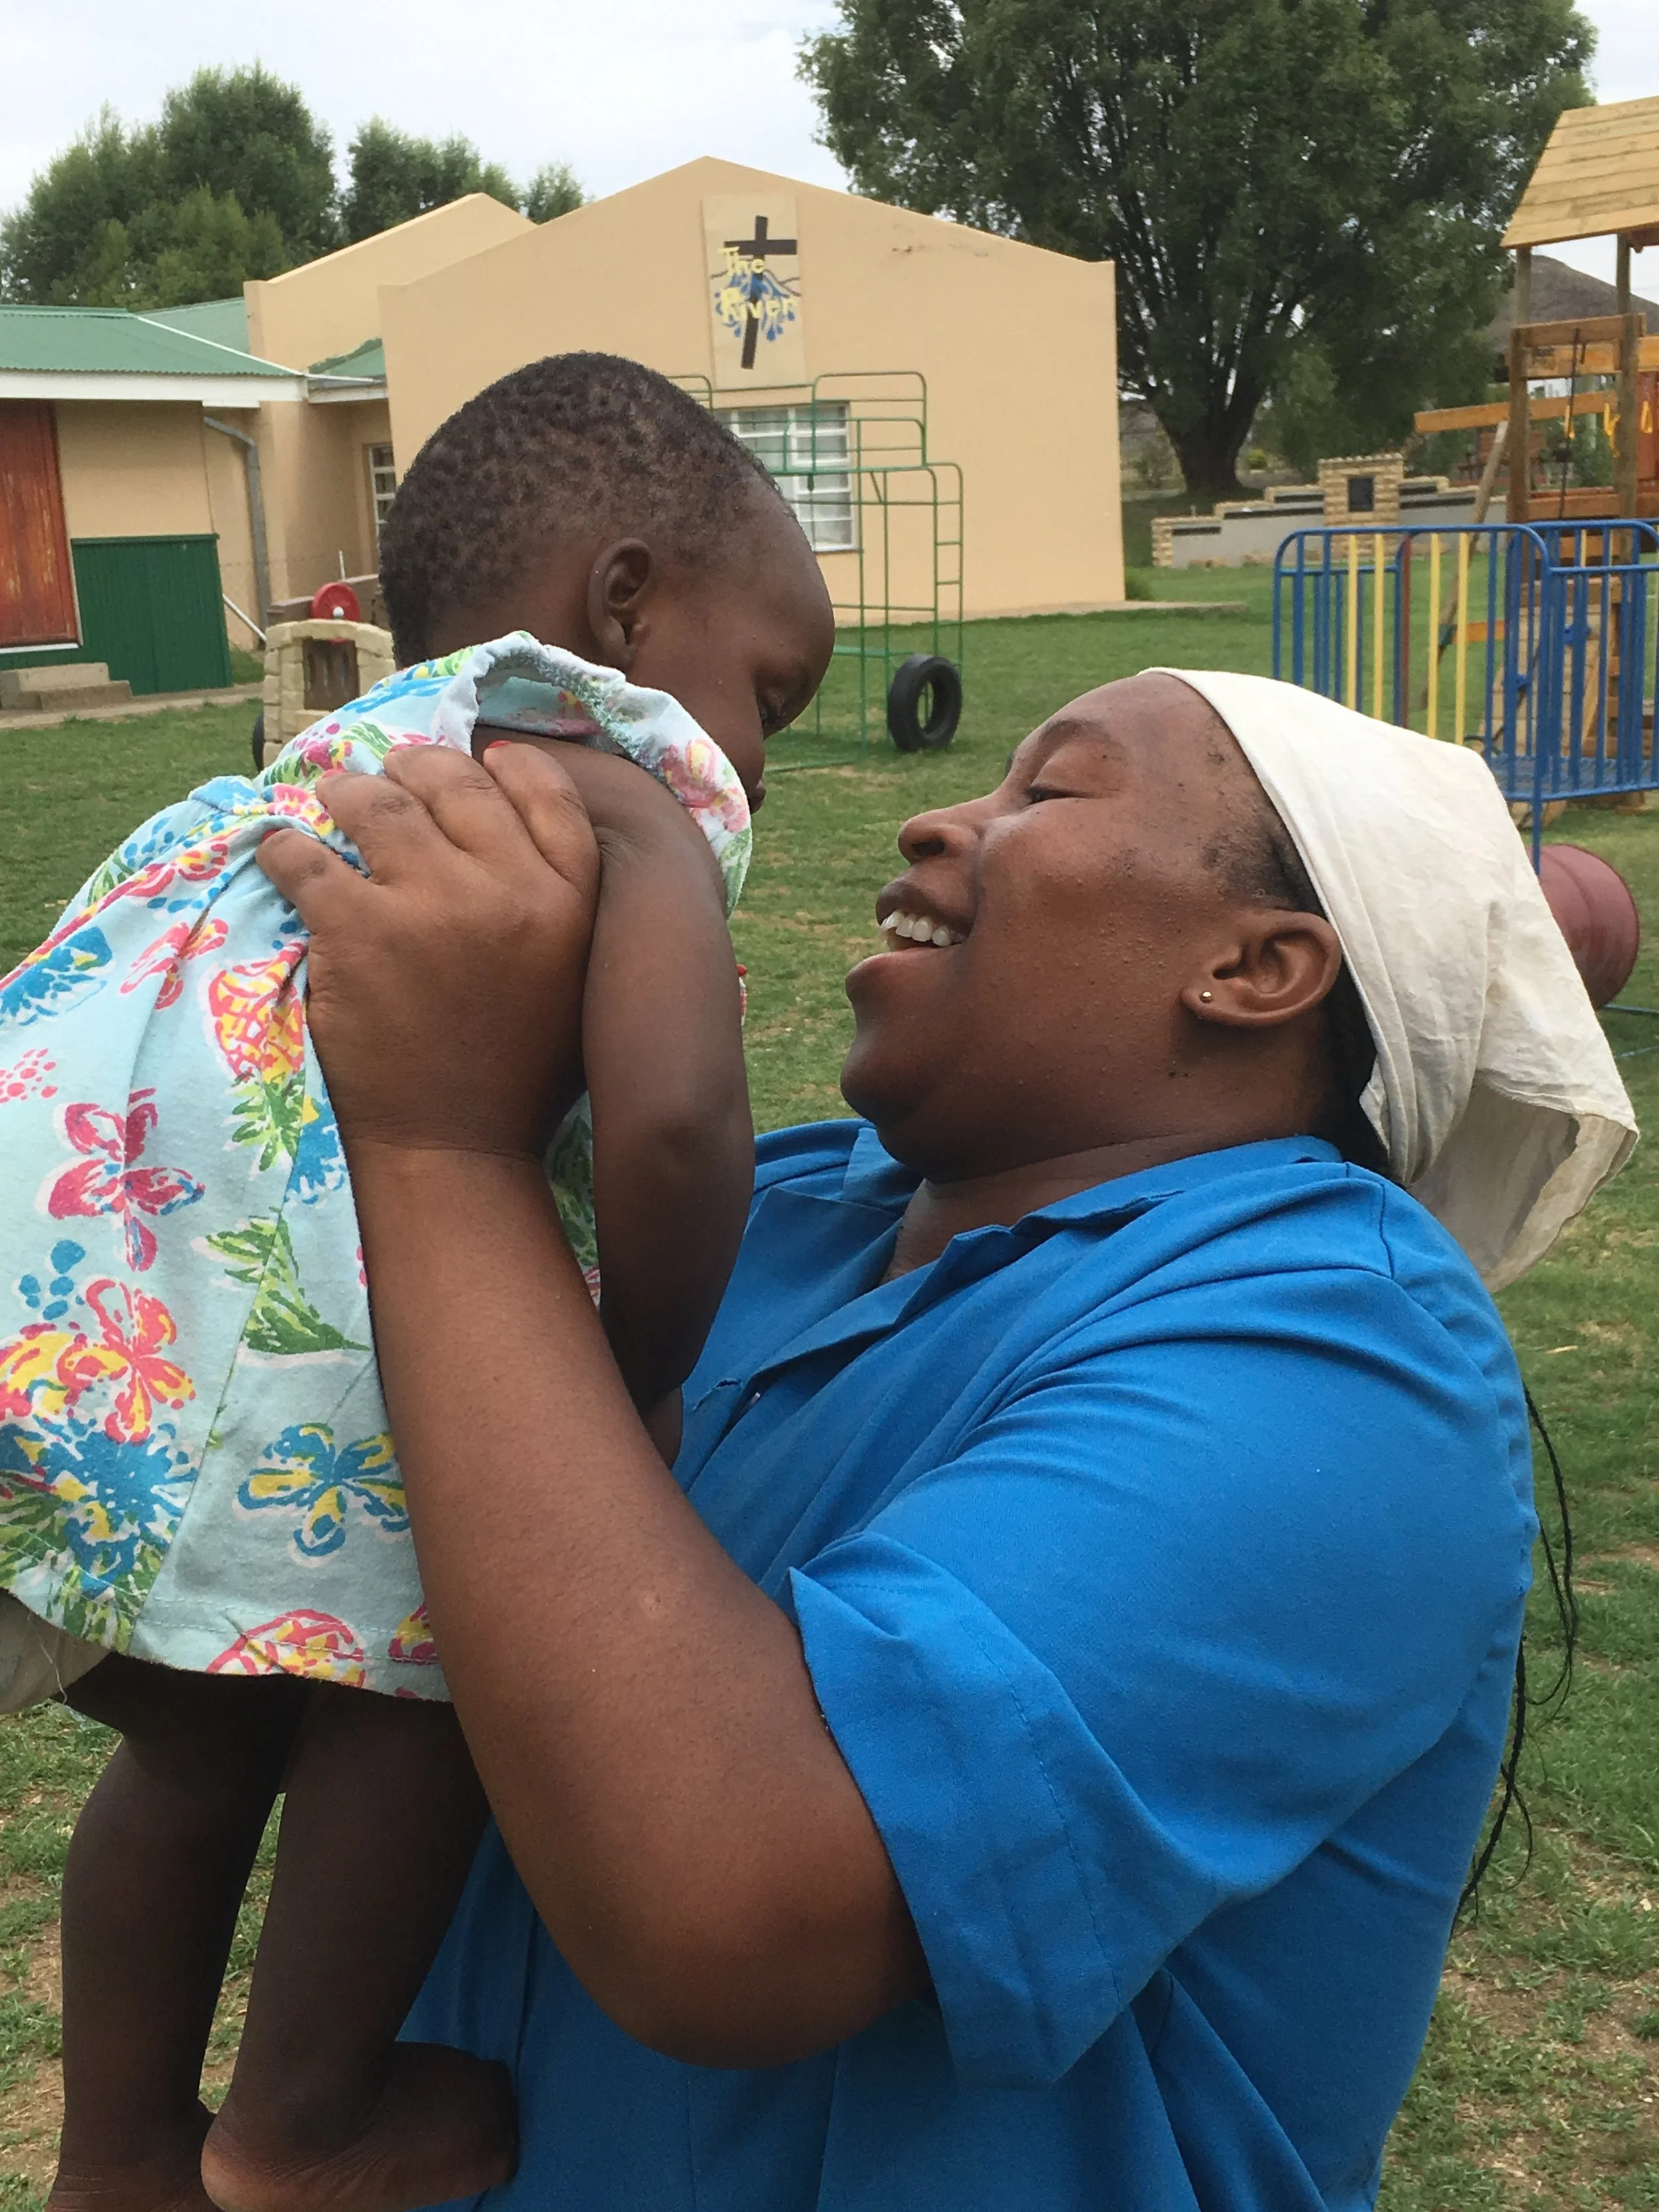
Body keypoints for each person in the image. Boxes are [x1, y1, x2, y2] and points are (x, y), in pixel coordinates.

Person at [255, 667, 1634, 2212]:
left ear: (1257, 967)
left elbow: (726, 1903)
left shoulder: (1343, 1365)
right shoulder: (778, 1211)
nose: (935, 817)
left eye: (1046, 792)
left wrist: (444, 1143)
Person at [0, 354, 833, 2212]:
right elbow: (682, 1123)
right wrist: (627, 1384)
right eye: (771, 687)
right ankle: (298, 2125)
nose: (760, 751)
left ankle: (121, 2148)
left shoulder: (347, 764)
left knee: (204, 1743)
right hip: (317, 1317)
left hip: (116, 1297)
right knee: (442, 1670)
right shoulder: (609, 766)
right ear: (626, 607)